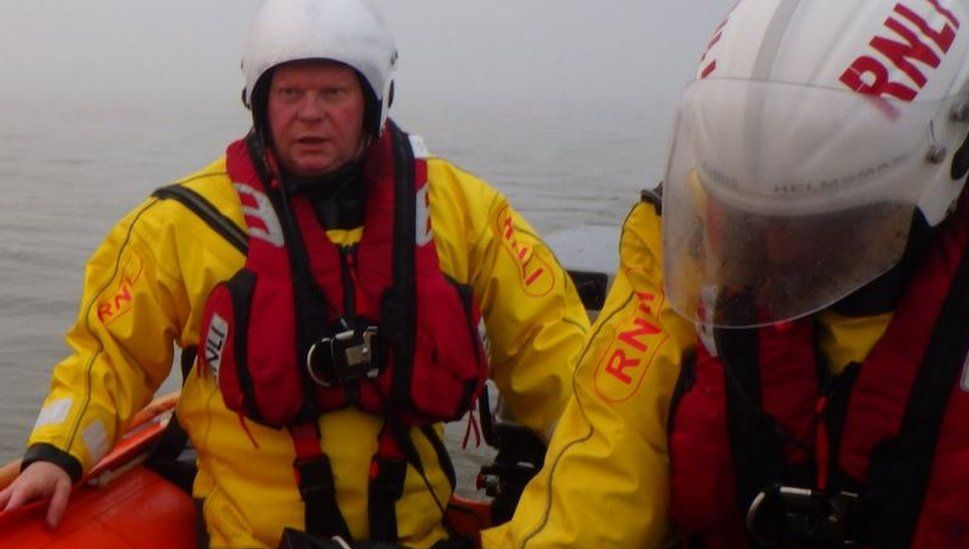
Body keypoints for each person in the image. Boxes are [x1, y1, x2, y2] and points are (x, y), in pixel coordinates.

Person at [0, 0, 589, 546]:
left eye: (333, 92)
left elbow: (549, 343)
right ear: (259, 101)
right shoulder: (179, 226)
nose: (310, 114)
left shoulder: (465, 213)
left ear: (374, 99)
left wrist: (614, 454)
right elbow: (108, 355)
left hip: (418, 535)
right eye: (290, 92)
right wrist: (58, 451)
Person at [483, 0, 969, 546]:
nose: (775, 249)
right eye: (746, 220)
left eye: (819, 222)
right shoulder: (687, 239)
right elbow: (604, 469)